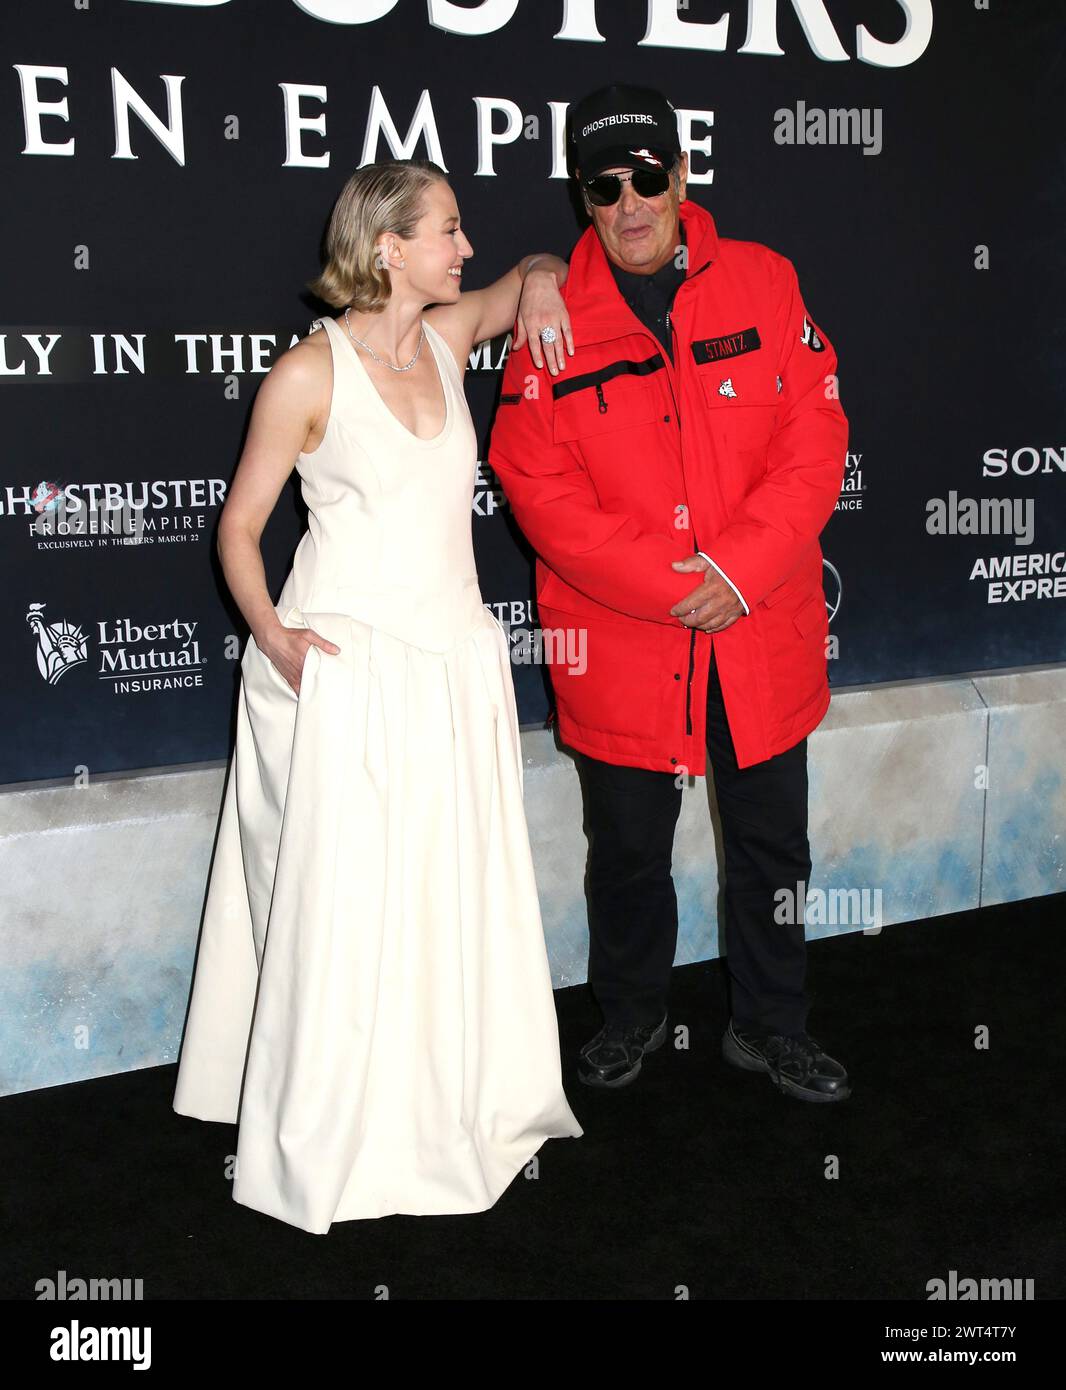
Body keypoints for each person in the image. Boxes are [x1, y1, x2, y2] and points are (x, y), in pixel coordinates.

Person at [172, 158, 583, 1234]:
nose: (466, 248)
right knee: (349, 911)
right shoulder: (307, 375)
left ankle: (438, 1108)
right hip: (348, 676)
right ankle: (335, 1134)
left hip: (449, 666)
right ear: (388, 246)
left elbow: (533, 271)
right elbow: (238, 528)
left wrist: (543, 283)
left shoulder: (448, 341)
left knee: (445, 896)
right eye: (448, 230)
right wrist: (275, 638)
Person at [488, 84, 851, 1103]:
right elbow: (536, 484)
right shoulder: (550, 319)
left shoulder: (766, 281)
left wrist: (737, 572)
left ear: (681, 175)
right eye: (604, 188)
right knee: (627, 851)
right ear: (584, 199)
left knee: (772, 847)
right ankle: (632, 1015)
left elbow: (815, 437)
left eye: (646, 177)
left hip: (755, 628)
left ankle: (772, 1026)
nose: (630, 204)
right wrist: (672, 587)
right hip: (624, 644)